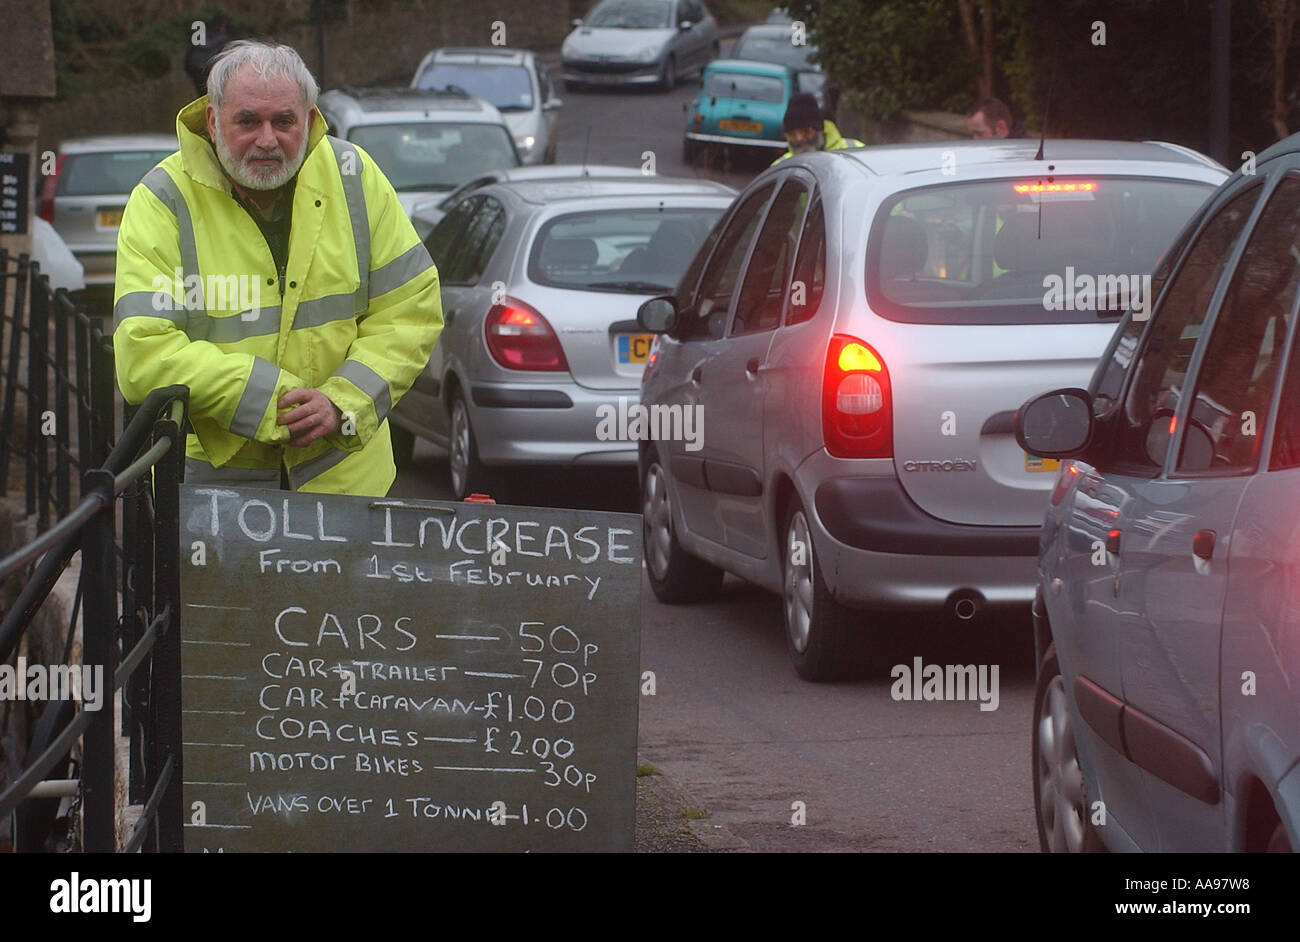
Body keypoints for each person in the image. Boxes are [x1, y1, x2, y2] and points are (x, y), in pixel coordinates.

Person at [113, 41, 443, 497]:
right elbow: (143, 354)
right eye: (247, 121)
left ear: (308, 121)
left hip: (346, 485)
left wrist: (343, 401)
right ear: (212, 121)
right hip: (210, 496)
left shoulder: (354, 177)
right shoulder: (163, 199)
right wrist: (270, 403)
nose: (267, 140)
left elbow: (410, 308)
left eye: (284, 121)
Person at [770, 92, 864, 166]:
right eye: (792, 135)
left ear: (821, 130)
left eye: (805, 132)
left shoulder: (857, 152)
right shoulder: (781, 167)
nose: (799, 139)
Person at [184, 15, 232, 96]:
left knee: (201, 92)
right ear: (223, 26)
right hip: (208, 67)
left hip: (195, 66)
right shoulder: (223, 38)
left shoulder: (199, 36)